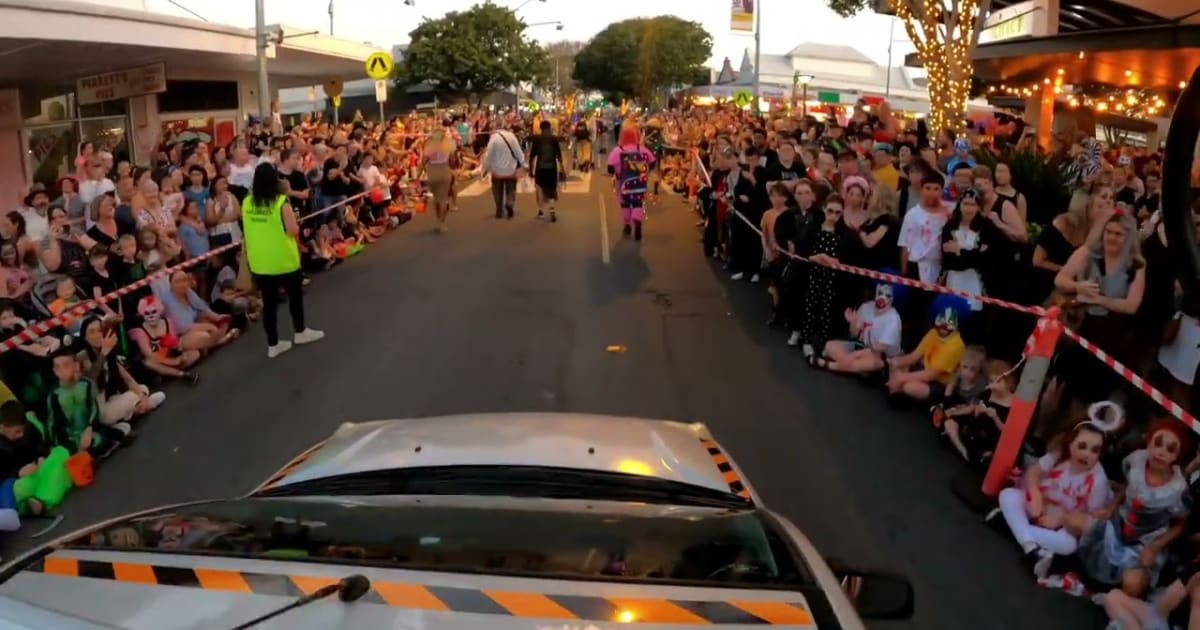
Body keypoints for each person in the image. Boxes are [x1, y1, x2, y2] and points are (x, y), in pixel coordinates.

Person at [242, 162, 323, 359]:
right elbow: (292, 230)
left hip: (260, 262)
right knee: (295, 297)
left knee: (269, 305)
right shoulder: (280, 202)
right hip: (283, 260)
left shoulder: (247, 203)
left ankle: (273, 343)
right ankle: (300, 331)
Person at [528, 120, 565, 223]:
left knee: (539, 187)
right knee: (552, 189)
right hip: (552, 167)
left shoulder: (537, 139)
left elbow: (532, 156)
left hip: (540, 168)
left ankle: (540, 211)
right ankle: (552, 209)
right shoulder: (554, 139)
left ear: (540, 128)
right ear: (550, 128)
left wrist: (530, 170)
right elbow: (559, 155)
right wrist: (563, 169)